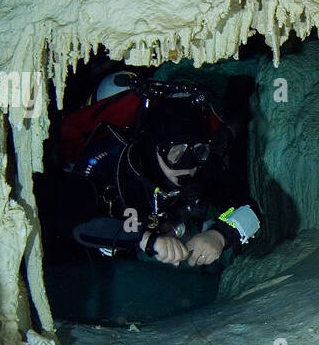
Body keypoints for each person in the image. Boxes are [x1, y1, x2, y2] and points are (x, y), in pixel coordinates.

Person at [59, 74, 260, 267]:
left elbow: (249, 210)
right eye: (176, 152)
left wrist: (220, 234)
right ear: (152, 149)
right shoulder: (109, 158)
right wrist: (148, 240)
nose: (189, 165)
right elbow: (74, 221)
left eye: (198, 150)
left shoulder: (204, 165)